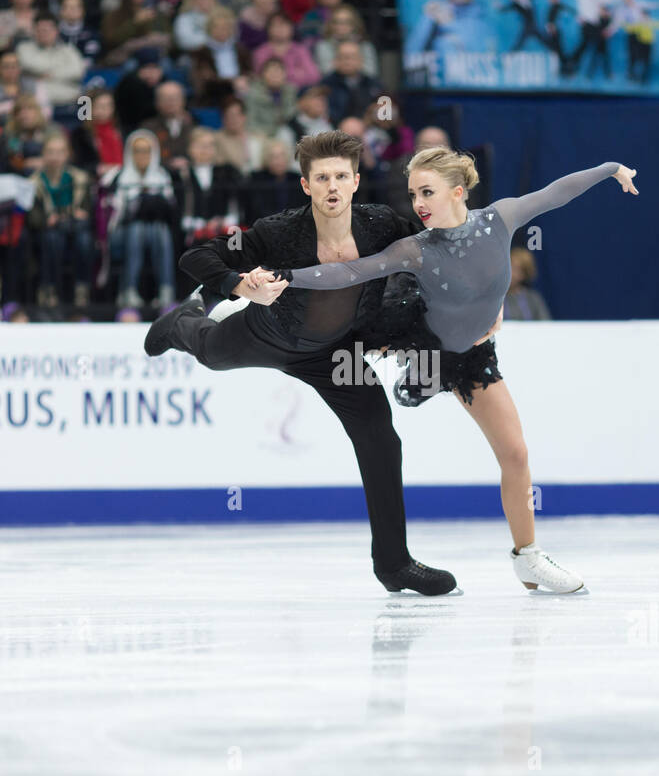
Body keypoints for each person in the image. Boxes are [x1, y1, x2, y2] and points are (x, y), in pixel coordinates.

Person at [260, 146, 640, 593]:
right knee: (382, 349)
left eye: (427, 192)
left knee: (515, 454)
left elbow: (557, 192)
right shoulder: (414, 249)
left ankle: (528, 558)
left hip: (470, 357)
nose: (418, 203)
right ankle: (413, 381)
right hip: (424, 345)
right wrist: (286, 274)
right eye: (412, 194)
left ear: (458, 191)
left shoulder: (501, 219)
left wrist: (611, 168)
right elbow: (350, 272)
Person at [143, 131, 456, 596]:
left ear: (355, 182)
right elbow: (196, 255)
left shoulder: (382, 224)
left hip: (335, 356)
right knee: (210, 354)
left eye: (341, 177)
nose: (332, 186)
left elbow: (440, 254)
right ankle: (183, 321)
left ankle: (394, 564)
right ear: (306, 184)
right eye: (322, 177)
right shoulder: (279, 231)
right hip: (269, 335)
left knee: (381, 439)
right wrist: (238, 285)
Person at [102, 129, 179, 308]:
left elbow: (169, 209)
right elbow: (112, 214)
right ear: (129, 152)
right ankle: (129, 290)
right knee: (137, 228)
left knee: (159, 229)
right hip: (120, 233)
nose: (142, 155)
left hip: (154, 231)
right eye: (137, 151)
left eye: (146, 151)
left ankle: (166, 291)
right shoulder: (118, 175)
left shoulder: (161, 175)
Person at [30, 133, 95, 307]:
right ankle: (49, 289)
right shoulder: (34, 182)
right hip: (48, 231)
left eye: (60, 152)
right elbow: (32, 215)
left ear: (67, 154)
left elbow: (88, 209)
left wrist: (82, 213)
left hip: (76, 229)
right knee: (52, 240)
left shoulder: (80, 178)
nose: (55, 157)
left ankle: (82, 288)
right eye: (50, 152)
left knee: (85, 240)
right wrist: (46, 219)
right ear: (43, 154)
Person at [503, 247, 552, 321]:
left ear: (525, 274)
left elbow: (545, 325)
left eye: (515, 269)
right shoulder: (494, 298)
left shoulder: (533, 298)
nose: (510, 273)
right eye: (508, 267)